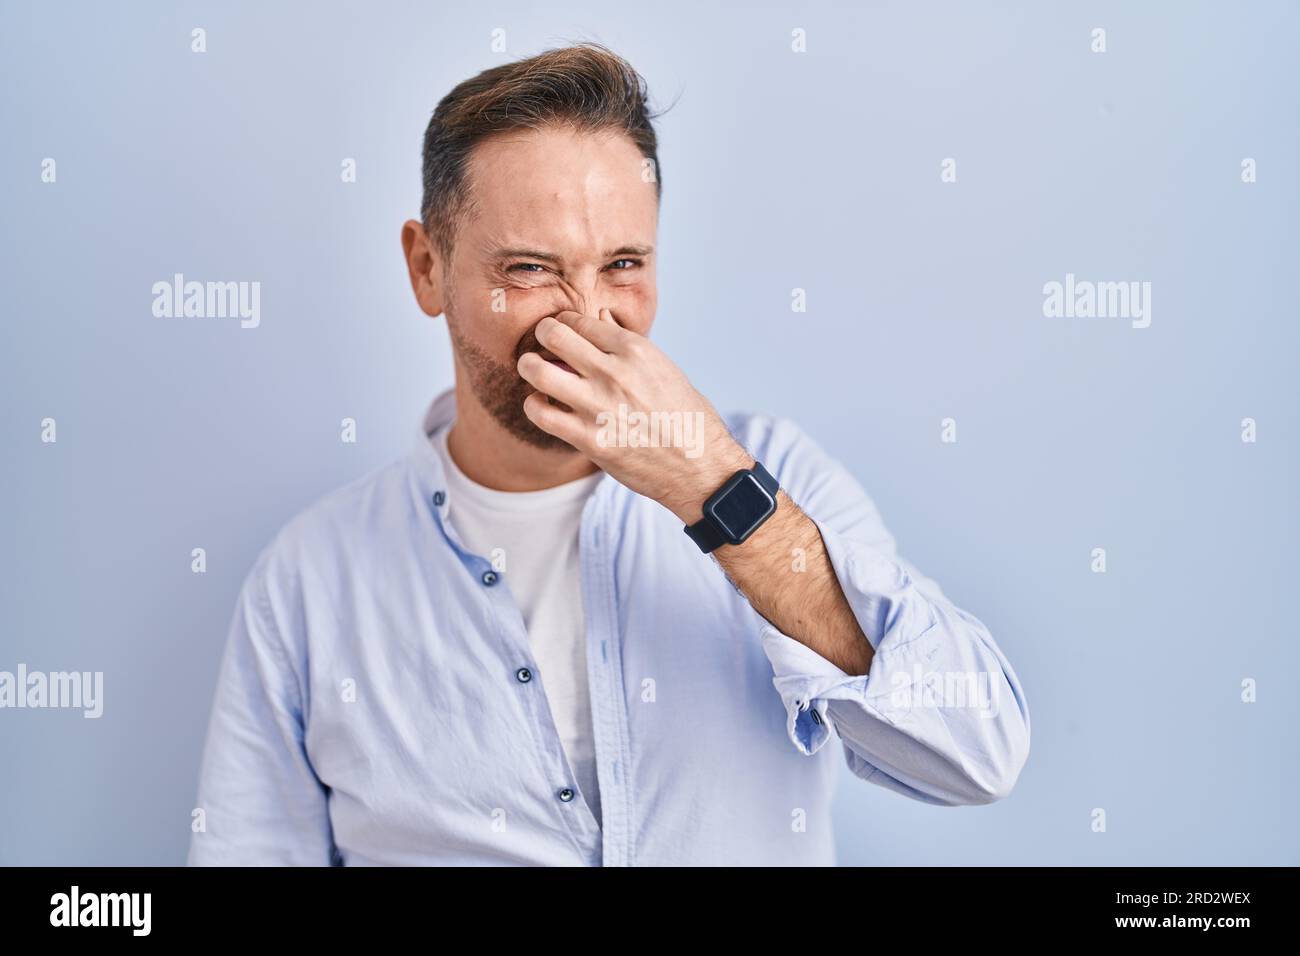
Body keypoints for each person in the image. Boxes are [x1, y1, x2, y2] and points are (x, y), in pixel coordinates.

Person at [188, 43, 1029, 866]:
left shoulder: (778, 475)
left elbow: (976, 753)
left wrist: (713, 486)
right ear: (427, 268)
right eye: (529, 268)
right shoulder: (309, 581)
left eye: (622, 263)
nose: (588, 319)